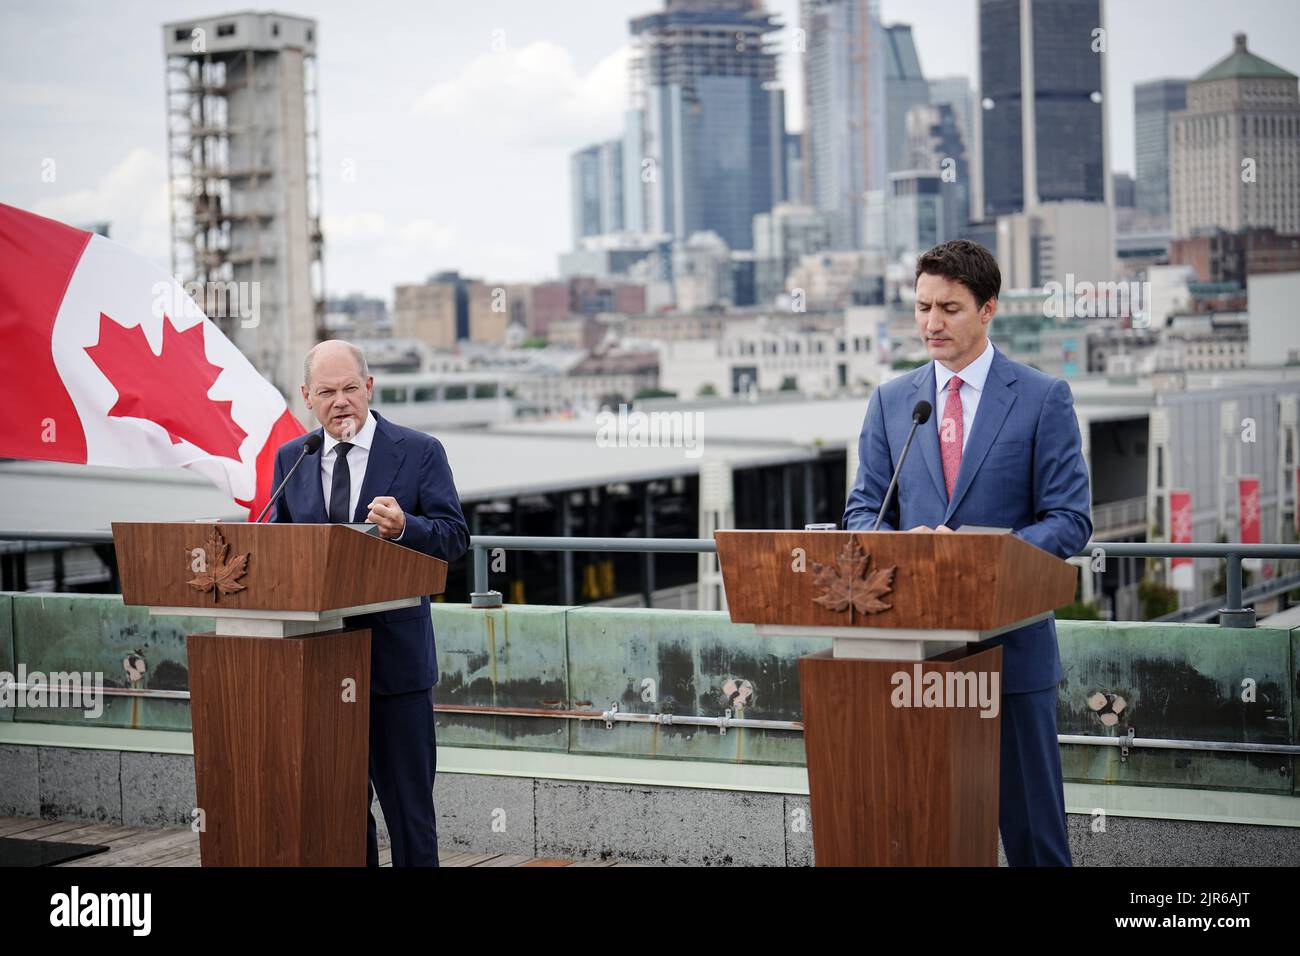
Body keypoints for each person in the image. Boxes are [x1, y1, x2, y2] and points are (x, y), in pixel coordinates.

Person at [843, 239, 1092, 866]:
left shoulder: (1042, 398)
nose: (931, 323)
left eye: (949, 308)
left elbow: (1069, 520)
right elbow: (862, 514)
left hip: (1015, 656)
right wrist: (908, 548)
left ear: (988, 309)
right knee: (929, 838)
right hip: (913, 660)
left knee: (1035, 841)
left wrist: (977, 553)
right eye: (923, 307)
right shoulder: (891, 402)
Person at [271, 339, 469, 867]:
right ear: (307, 397)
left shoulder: (420, 451)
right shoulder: (294, 458)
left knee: (409, 813)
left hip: (394, 667)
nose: (341, 402)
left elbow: (455, 538)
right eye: (328, 392)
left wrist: (407, 527)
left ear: (370, 387)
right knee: (339, 809)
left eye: (351, 389)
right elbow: (279, 550)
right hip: (318, 664)